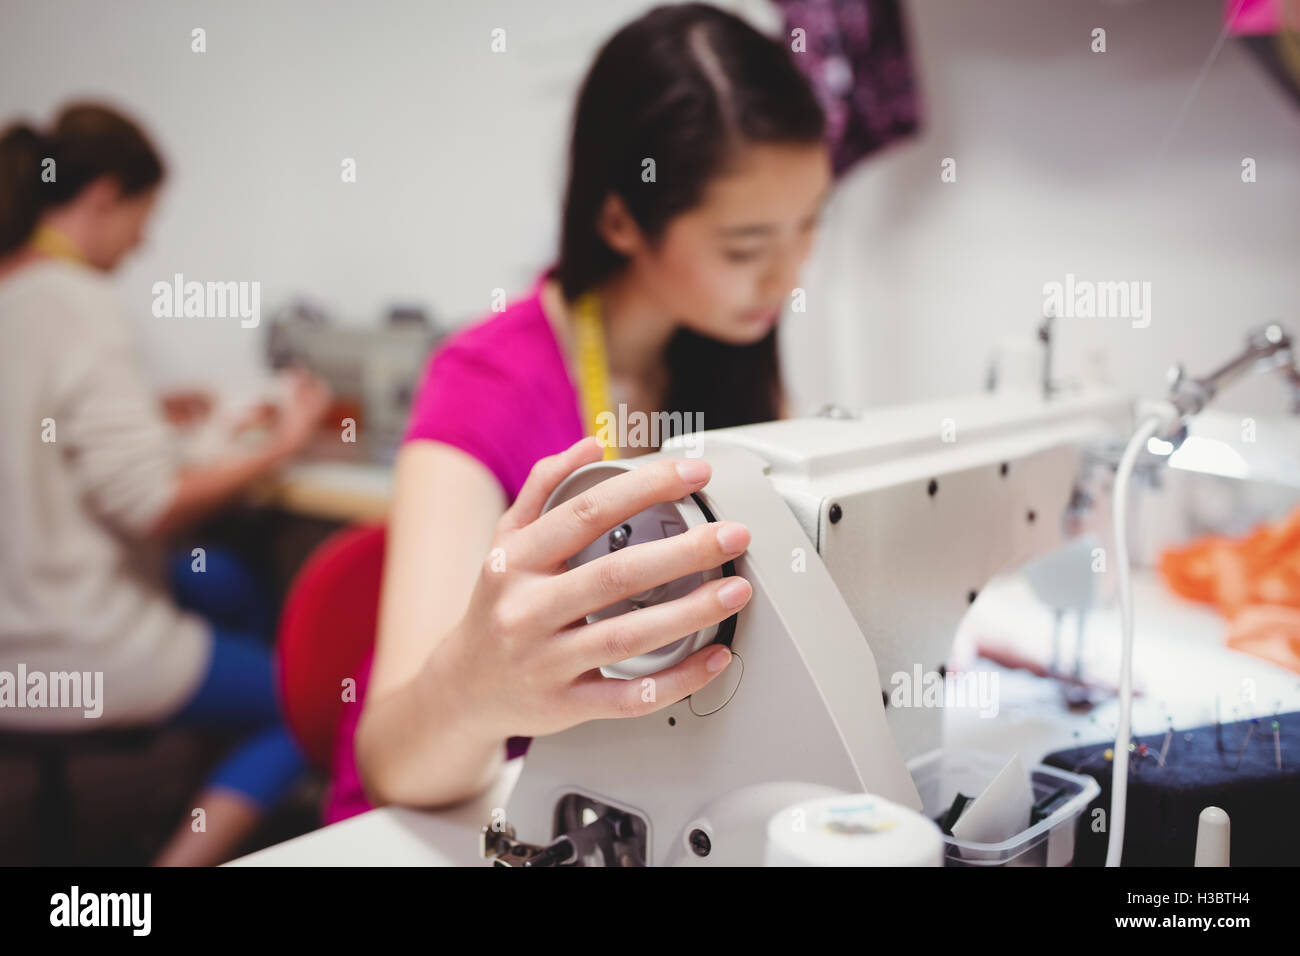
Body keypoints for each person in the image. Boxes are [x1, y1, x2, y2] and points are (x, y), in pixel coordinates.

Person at [333, 2, 832, 820]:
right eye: (745, 248)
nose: (787, 278)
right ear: (619, 218)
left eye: (810, 227)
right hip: (453, 817)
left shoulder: (730, 353)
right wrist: (475, 687)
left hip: (645, 790)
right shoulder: (480, 385)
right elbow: (393, 765)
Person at [0, 102, 331, 865]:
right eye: (145, 215)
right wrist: (279, 445)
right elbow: (153, 505)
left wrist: (146, 413)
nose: (145, 239)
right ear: (106, 196)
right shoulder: (79, 304)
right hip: (68, 647)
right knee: (311, 698)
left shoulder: (12, 291)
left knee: (230, 582)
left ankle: (197, 770)